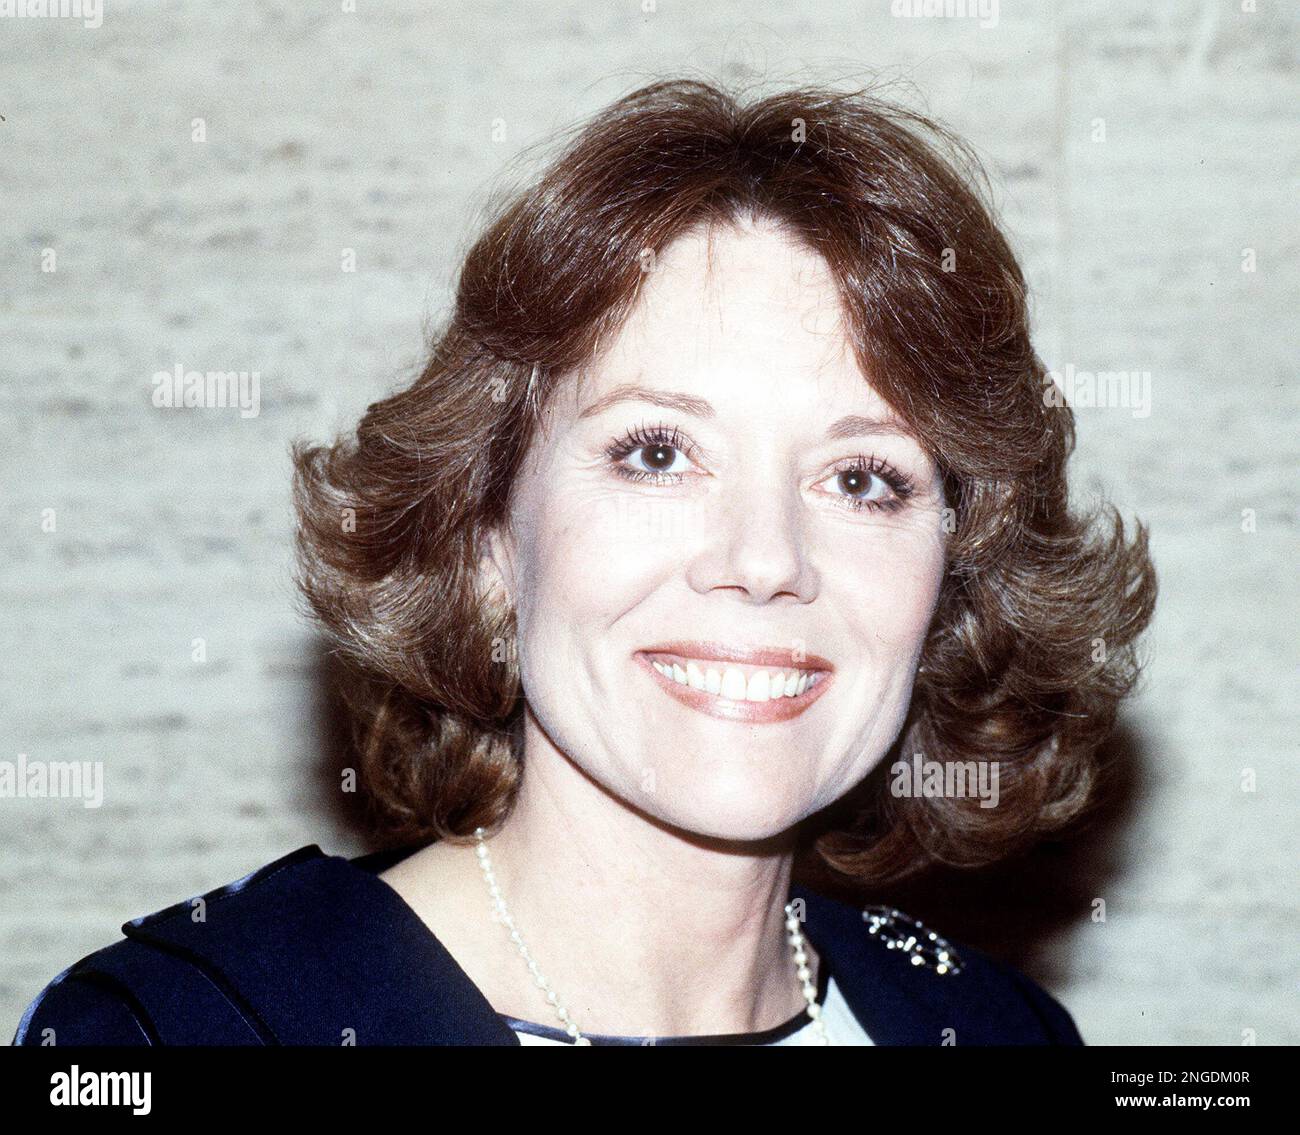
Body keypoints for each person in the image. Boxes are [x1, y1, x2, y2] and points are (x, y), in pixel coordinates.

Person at [13, 78, 1155, 1047]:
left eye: (863, 479)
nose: (764, 561)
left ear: (948, 585)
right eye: (657, 453)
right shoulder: (189, 1026)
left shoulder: (995, 1030)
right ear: (485, 539)